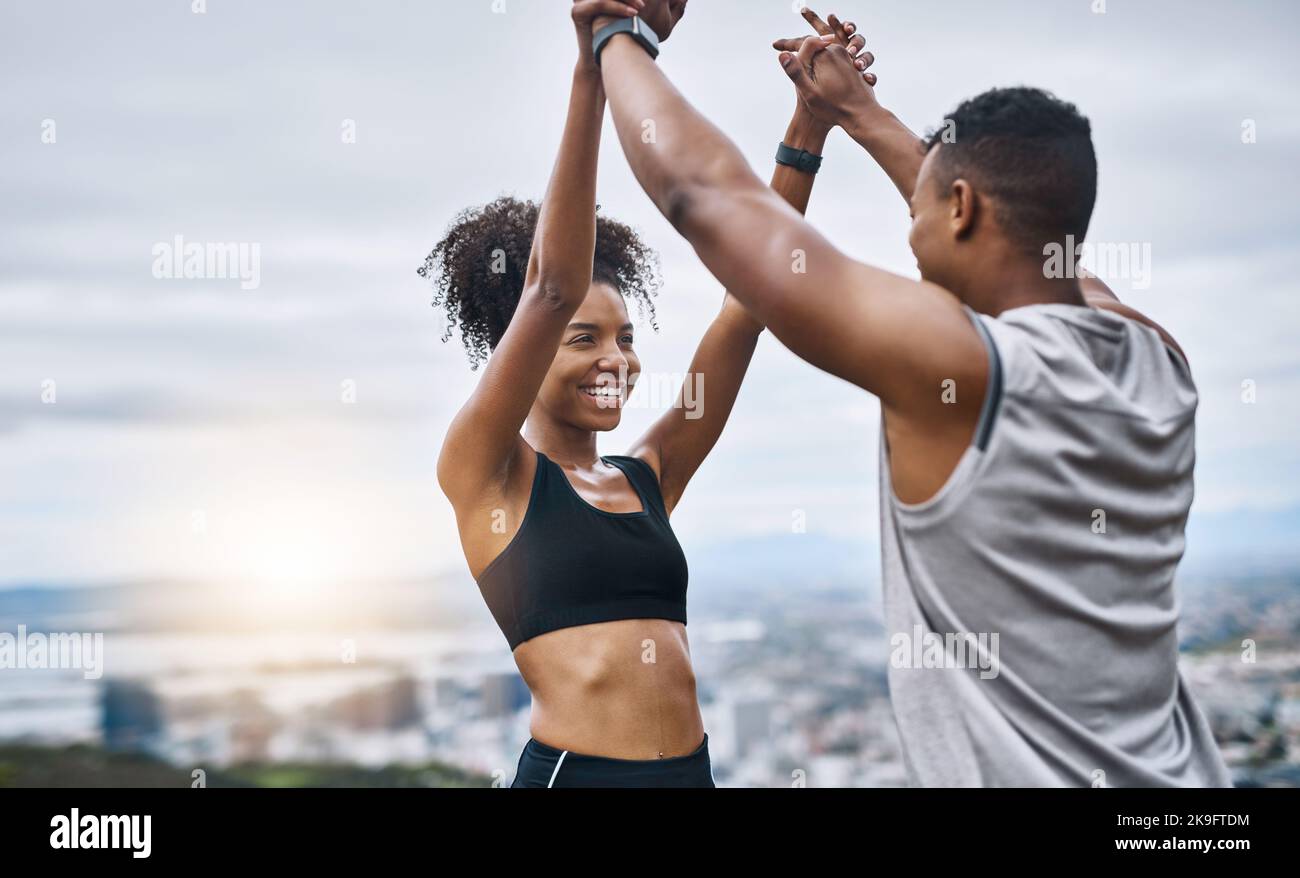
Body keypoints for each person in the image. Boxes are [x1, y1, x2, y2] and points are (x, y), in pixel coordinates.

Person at [585, 1, 1232, 787]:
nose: (910, 232)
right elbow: (1040, 259)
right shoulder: (1158, 355)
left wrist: (619, 35)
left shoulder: (965, 371)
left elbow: (708, 198)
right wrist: (855, 112)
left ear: (961, 209)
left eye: (920, 209)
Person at [422, 0, 871, 787]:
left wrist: (807, 128)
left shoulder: (646, 477)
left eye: (626, 338)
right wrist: (598, 62)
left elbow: (745, 312)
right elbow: (553, 286)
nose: (616, 361)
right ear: (520, 352)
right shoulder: (488, 472)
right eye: (584, 339)